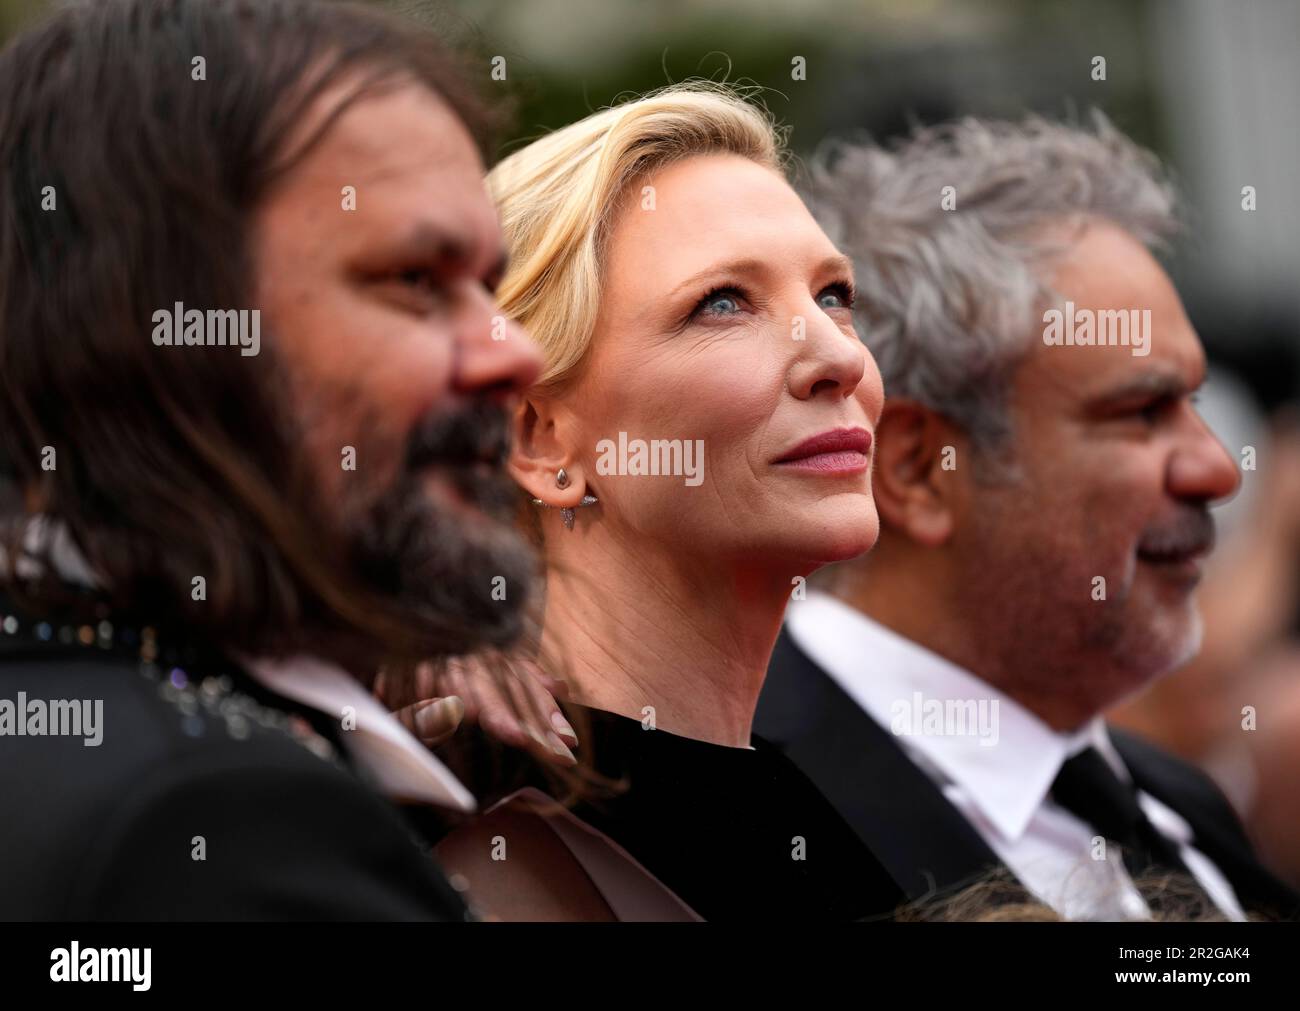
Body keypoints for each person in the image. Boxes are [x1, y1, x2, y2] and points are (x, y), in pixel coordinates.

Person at [0, 0, 545, 919]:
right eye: (416, 279)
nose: (514, 352)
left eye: (489, 285)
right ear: (158, 326)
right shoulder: (214, 825)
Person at [755, 114, 1299, 921]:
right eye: (1141, 412)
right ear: (918, 470)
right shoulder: (748, 826)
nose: (1217, 469)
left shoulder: (1172, 801)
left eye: (1192, 401)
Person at [434, 83, 904, 921]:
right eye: (723, 304)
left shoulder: (816, 800)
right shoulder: (486, 839)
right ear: (540, 440)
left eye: (834, 295)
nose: (836, 355)